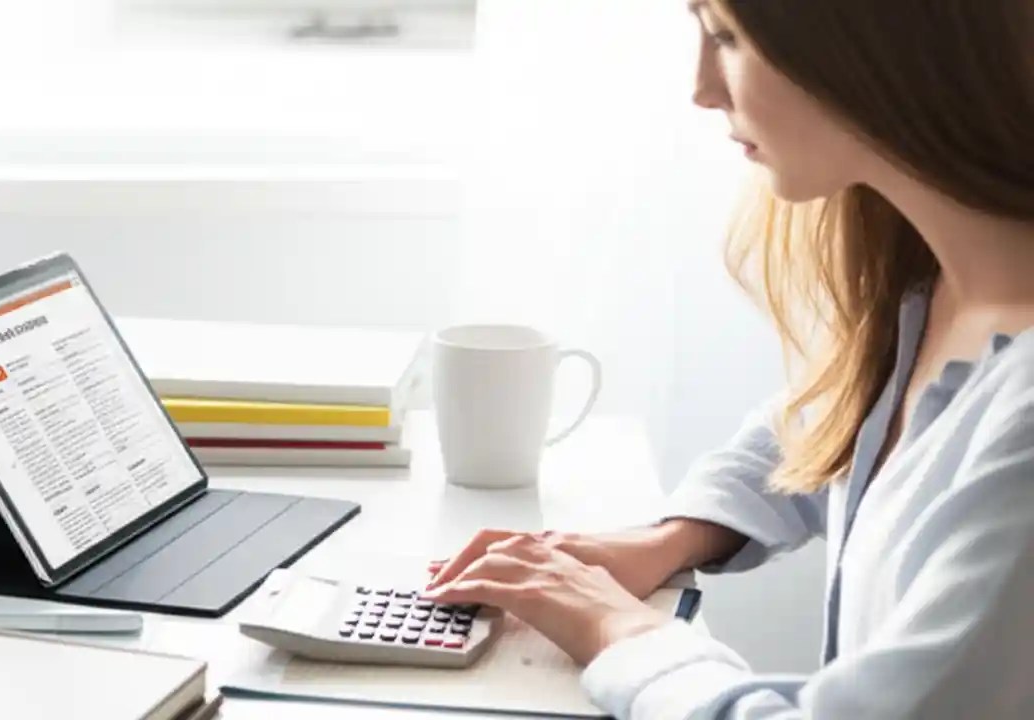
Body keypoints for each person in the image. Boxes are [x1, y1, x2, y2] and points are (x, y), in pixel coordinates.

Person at [420, 1, 1034, 717]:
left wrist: (617, 628)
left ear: (875, 43)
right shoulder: (942, 287)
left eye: (725, 37)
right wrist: (674, 535)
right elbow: (846, 427)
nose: (703, 87)